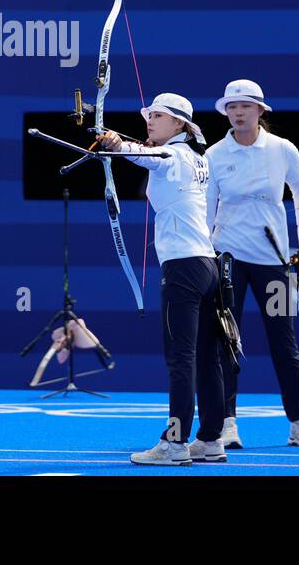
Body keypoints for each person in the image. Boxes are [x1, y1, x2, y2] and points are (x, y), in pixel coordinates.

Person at [96, 93, 226, 466]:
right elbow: (149, 153)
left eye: (158, 116)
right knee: (204, 356)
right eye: (149, 114)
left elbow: (149, 156)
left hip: (184, 268)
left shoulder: (175, 155)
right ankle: (211, 440)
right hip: (206, 264)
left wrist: (117, 145)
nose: (150, 120)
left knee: (180, 357)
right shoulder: (196, 157)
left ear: (180, 124)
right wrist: (120, 145)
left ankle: (175, 443)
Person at [205, 79, 299, 448]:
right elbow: (206, 210)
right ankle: (227, 424)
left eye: (245, 106)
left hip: (273, 261)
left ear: (260, 111)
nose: (238, 113)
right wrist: (205, 253)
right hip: (227, 258)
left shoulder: (283, 149)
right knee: (226, 342)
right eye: (232, 107)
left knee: (283, 341)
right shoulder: (214, 155)